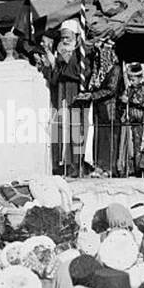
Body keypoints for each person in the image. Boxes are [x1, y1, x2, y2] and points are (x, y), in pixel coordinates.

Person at [44, 19, 89, 175]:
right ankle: (61, 163)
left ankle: (76, 165)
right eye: (62, 38)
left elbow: (81, 74)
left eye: (67, 38)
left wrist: (63, 59)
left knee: (75, 130)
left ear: (76, 38)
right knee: (60, 129)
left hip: (74, 94)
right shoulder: (61, 53)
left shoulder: (81, 54)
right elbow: (54, 79)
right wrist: (53, 64)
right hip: (61, 96)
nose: (64, 41)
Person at [79, 35, 121, 177]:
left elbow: (111, 89)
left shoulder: (115, 69)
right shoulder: (98, 71)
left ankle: (109, 168)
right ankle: (99, 166)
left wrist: (92, 96)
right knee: (99, 138)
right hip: (99, 109)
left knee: (109, 139)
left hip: (111, 110)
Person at [117, 62, 144, 175]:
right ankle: (132, 169)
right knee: (132, 148)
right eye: (130, 79)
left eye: (133, 79)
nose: (131, 81)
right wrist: (122, 102)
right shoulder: (128, 90)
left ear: (140, 77)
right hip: (132, 123)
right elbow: (121, 106)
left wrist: (135, 102)